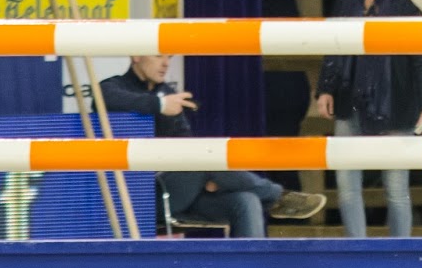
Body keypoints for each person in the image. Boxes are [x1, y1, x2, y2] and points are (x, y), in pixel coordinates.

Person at [98, 55, 325, 237]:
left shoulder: (167, 93)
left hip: (180, 191)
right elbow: (104, 98)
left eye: (168, 56)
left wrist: (209, 175)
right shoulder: (114, 87)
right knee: (203, 158)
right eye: (158, 56)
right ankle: (277, 198)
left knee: (246, 201)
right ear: (136, 56)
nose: (166, 62)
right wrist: (159, 105)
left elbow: (185, 142)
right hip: (144, 195)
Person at [315, 0, 422, 236]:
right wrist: (325, 88)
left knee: (396, 187)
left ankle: (400, 251)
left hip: (397, 99)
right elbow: (334, 43)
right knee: (346, 185)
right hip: (349, 96)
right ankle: (356, 249)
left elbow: (420, 57)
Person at [260, 0, 312, 189]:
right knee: (277, 157)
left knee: (281, 158)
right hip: (280, 92)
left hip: (282, 93)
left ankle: (292, 217)